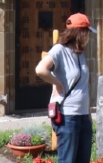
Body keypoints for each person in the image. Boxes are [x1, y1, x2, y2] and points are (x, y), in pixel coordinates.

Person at [36, 13, 94, 163]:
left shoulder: (80, 53)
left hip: (83, 116)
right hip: (67, 115)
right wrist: (58, 84)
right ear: (79, 33)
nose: (88, 36)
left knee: (83, 160)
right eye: (87, 32)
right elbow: (41, 69)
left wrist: (88, 114)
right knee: (67, 160)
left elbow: (83, 85)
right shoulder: (59, 50)